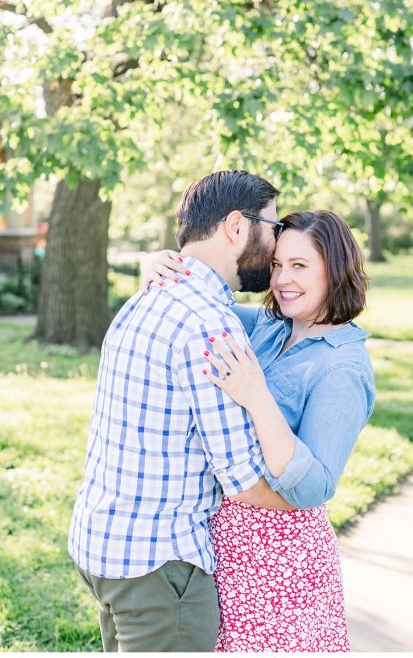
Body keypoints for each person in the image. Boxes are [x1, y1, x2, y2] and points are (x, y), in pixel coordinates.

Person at [68, 171, 296, 653]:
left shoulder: (145, 298)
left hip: (103, 545)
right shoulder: (208, 325)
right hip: (158, 565)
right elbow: (242, 477)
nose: (275, 246)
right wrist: (304, 504)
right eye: (272, 228)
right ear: (236, 227)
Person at [141, 210, 375, 652]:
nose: (283, 279)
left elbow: (315, 486)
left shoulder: (343, 367)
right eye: (277, 265)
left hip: (281, 565)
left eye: (300, 266)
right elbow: (206, 307)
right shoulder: (271, 326)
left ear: (336, 269)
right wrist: (158, 264)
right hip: (224, 547)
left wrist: (257, 396)